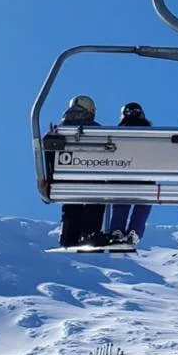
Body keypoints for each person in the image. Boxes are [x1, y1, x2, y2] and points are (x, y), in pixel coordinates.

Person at [58, 95, 107, 247]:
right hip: (91, 172)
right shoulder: (95, 128)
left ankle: (68, 236)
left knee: (71, 202)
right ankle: (89, 234)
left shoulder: (63, 126)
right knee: (97, 199)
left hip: (65, 174)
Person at [107, 103, 153, 245]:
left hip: (122, 174)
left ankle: (117, 230)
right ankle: (135, 231)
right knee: (144, 202)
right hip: (144, 176)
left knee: (121, 201)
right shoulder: (151, 133)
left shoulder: (118, 133)